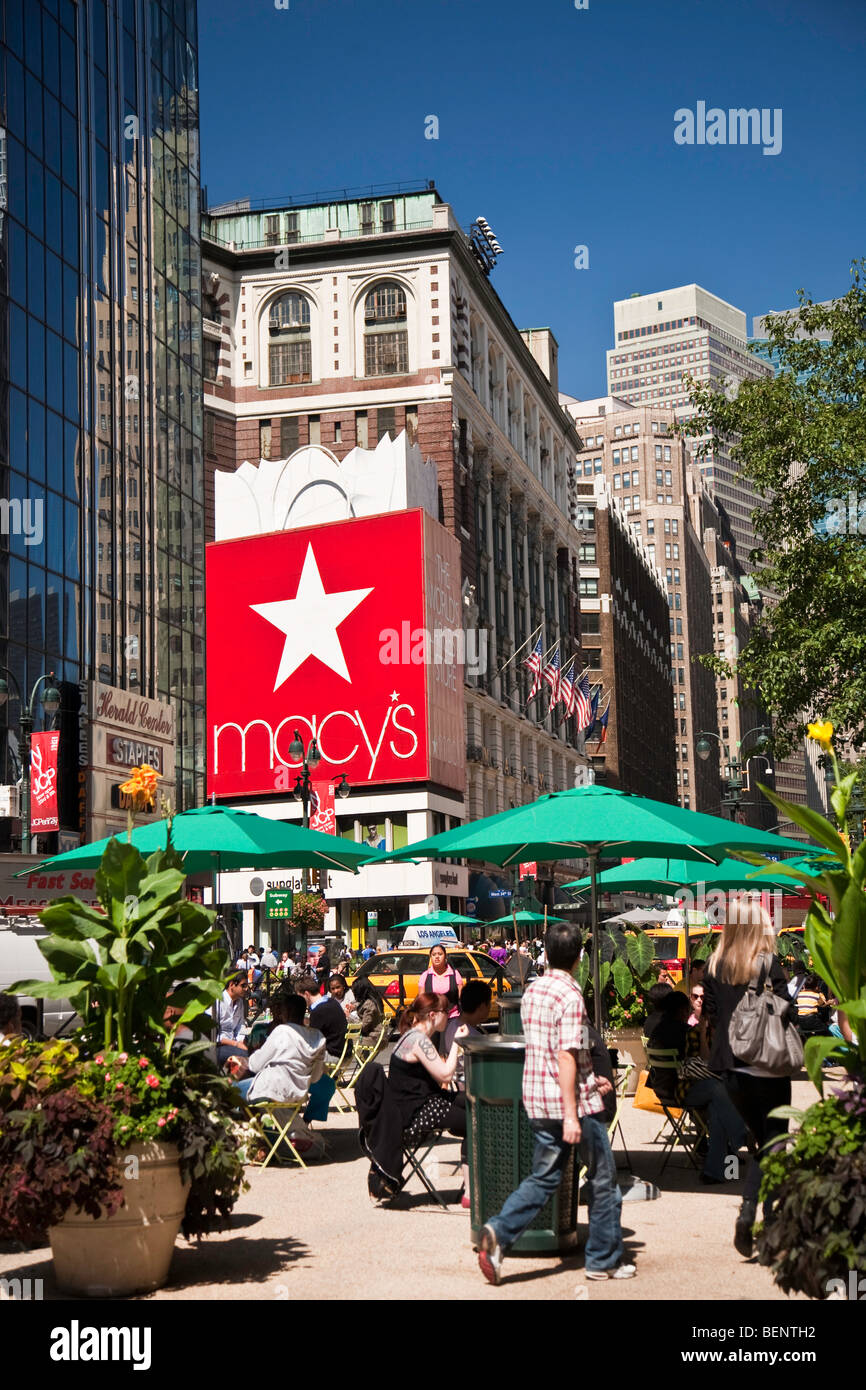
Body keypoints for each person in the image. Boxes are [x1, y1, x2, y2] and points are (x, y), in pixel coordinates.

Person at [478, 920, 635, 1286]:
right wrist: (572, 1110)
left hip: (538, 1099)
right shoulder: (570, 994)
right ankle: (602, 1259)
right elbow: (565, 1054)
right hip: (575, 1106)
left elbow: (557, 1050)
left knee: (543, 1179)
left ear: (546, 953)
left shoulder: (534, 991)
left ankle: (499, 1232)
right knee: (604, 1180)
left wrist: (586, 1074)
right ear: (580, 956)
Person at [703, 899, 798, 1259]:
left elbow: (711, 1016)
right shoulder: (767, 963)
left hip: (732, 1071)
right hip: (768, 1066)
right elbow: (788, 1009)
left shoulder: (714, 966)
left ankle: (762, 1220)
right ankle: (758, 1217)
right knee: (775, 1144)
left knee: (763, 1142)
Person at [647, 991, 747, 1185]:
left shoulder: (659, 1030)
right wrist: (703, 1036)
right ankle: (737, 1141)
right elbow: (697, 1067)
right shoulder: (688, 1033)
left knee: (719, 1108)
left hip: (677, 1089)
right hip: (683, 1090)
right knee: (721, 1091)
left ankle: (719, 1169)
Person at [389, 993, 468, 1139]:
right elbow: (445, 1075)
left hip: (413, 1106)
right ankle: (468, 1161)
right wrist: (457, 1042)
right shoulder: (419, 1040)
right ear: (433, 1015)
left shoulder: (412, 1035)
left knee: (471, 1100)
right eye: (446, 1012)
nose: (449, 1016)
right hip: (417, 1112)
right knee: (476, 1123)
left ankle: (468, 1157)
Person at [231, 993, 327, 1103]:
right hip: (299, 1094)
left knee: (227, 1091)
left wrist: (245, 1059)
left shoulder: (282, 1031)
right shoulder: (318, 1037)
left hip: (270, 1090)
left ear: (286, 1012)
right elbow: (315, 1077)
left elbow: (255, 1065)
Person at [440, 980, 492, 1089]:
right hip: (469, 1089)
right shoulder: (475, 1038)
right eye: (489, 1003)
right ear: (482, 1006)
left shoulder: (451, 1026)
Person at [294, 972, 347, 1063]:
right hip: (344, 1053)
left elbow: (311, 1042)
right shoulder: (332, 1002)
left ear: (306, 994)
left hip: (333, 1056)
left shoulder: (319, 1011)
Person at [418, 944, 463, 1017]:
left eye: (440, 954)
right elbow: (422, 1000)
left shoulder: (455, 974)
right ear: (431, 957)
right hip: (432, 1020)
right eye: (434, 955)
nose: (437, 957)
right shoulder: (425, 976)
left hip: (453, 1018)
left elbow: (461, 998)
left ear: (445, 956)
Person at [216, 972, 250, 1066]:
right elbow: (213, 1036)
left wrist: (240, 1040)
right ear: (232, 985)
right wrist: (236, 1044)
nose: (246, 989)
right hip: (219, 1046)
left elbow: (241, 1025)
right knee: (244, 1056)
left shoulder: (239, 1002)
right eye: (243, 985)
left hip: (234, 1042)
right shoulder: (218, 1002)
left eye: (247, 985)